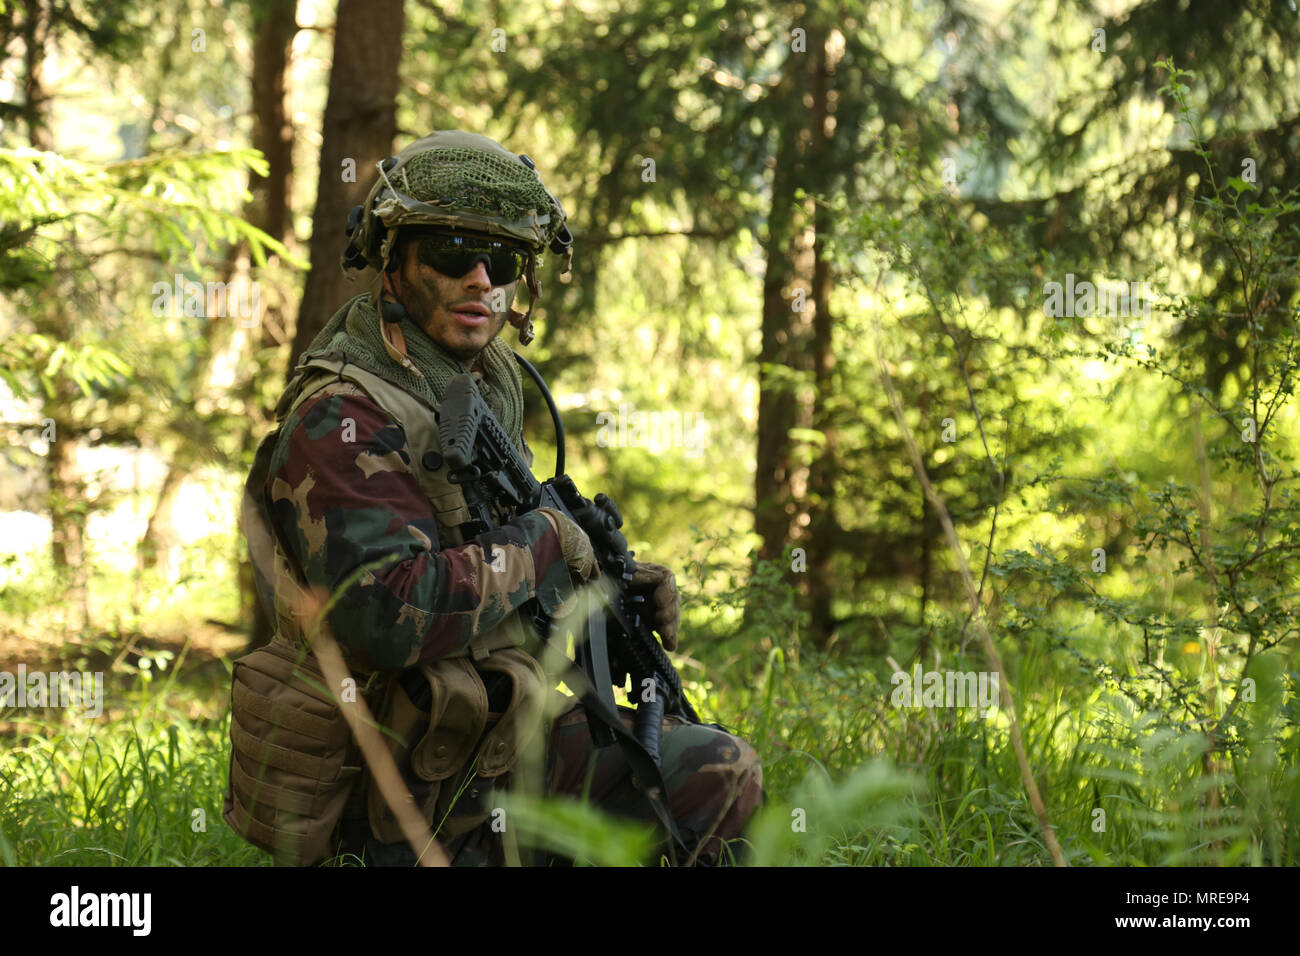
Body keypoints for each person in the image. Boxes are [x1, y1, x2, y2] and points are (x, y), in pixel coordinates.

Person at [224, 130, 762, 866]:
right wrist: (546, 543)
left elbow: (492, 548)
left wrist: (607, 589)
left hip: (490, 747)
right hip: (391, 796)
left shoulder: (474, 393)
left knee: (712, 775)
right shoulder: (345, 417)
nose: (481, 279)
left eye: (502, 260)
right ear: (396, 262)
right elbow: (389, 614)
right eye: (451, 252)